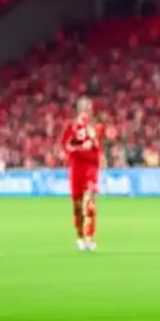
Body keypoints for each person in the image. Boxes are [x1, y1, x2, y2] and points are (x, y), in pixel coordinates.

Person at [63, 97, 106, 251]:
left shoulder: (96, 127)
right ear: (80, 109)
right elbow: (67, 146)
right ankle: (80, 236)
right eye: (86, 107)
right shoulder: (72, 127)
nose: (89, 110)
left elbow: (99, 147)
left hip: (91, 168)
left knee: (90, 202)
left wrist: (101, 157)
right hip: (76, 167)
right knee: (78, 205)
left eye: (90, 107)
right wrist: (81, 146)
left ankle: (89, 237)